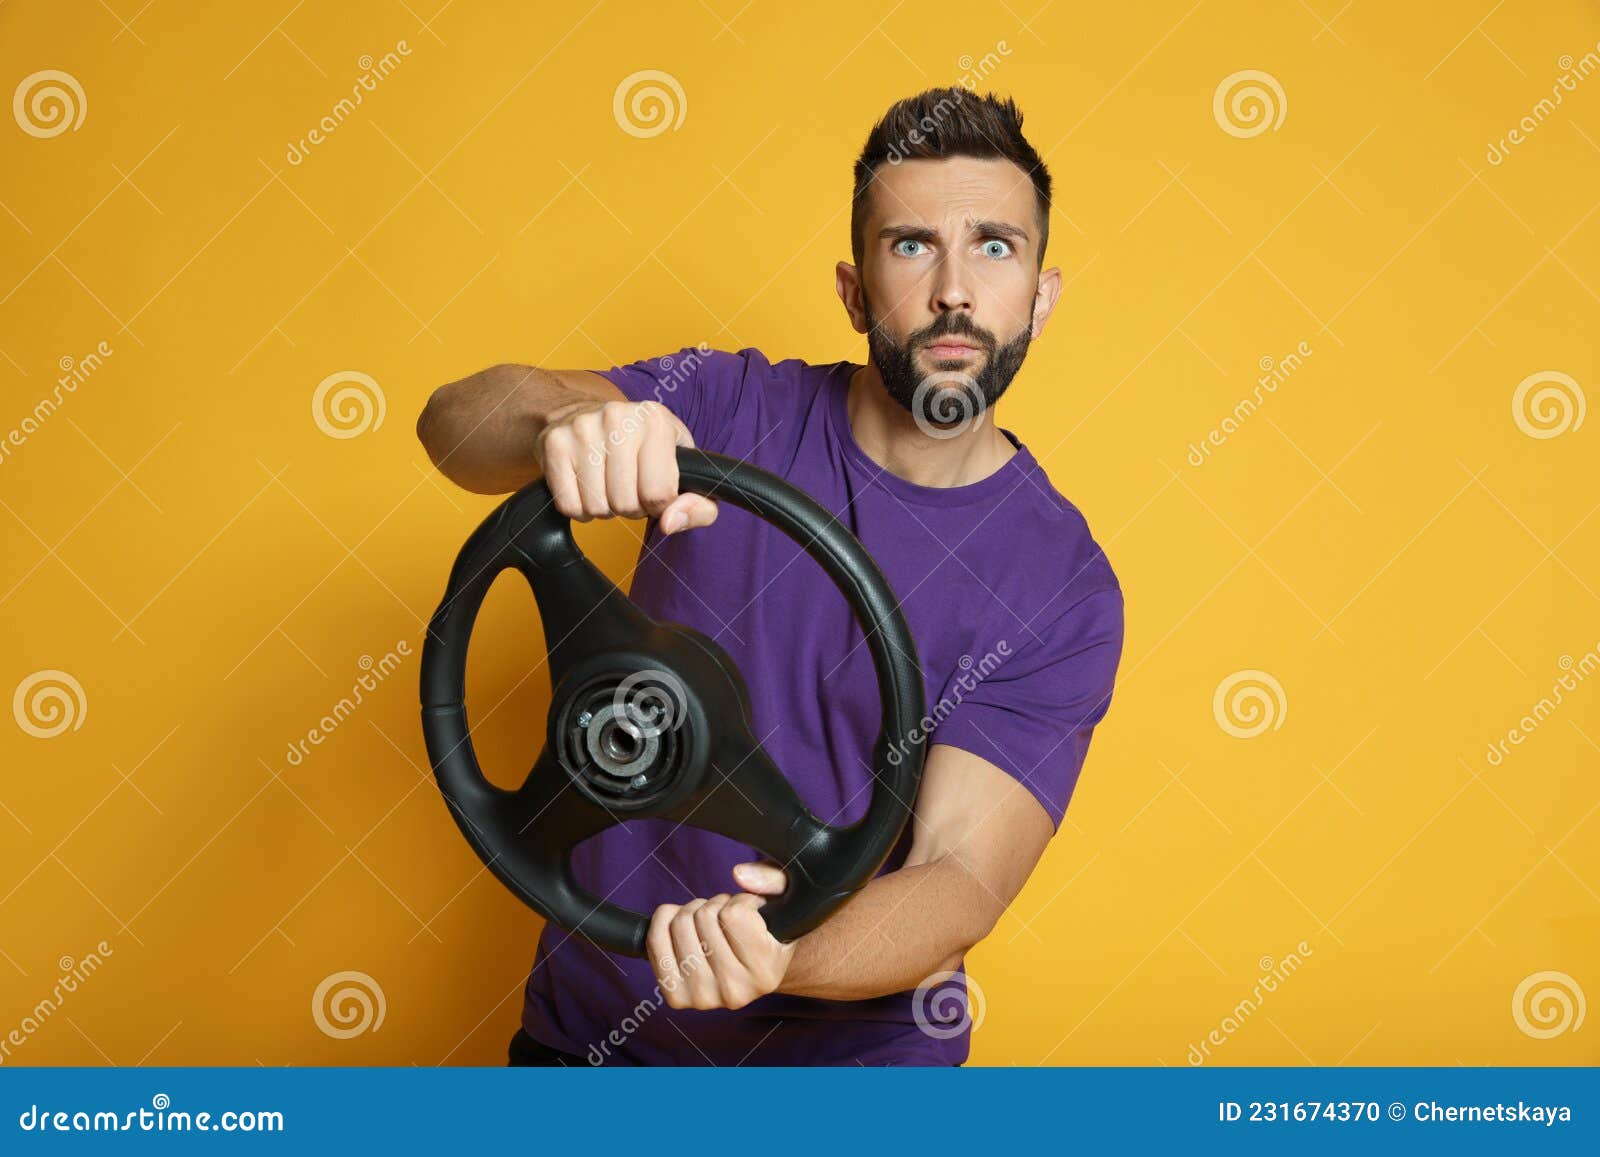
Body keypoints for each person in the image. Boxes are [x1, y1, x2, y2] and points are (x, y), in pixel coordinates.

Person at [416, 87, 1124, 1066]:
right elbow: (451, 427)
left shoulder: (1060, 582)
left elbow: (961, 873)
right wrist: (559, 426)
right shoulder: (724, 402)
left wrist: (775, 951)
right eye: (912, 245)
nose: (954, 289)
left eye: (995, 246)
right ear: (853, 289)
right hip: (584, 1054)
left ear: (1040, 296)